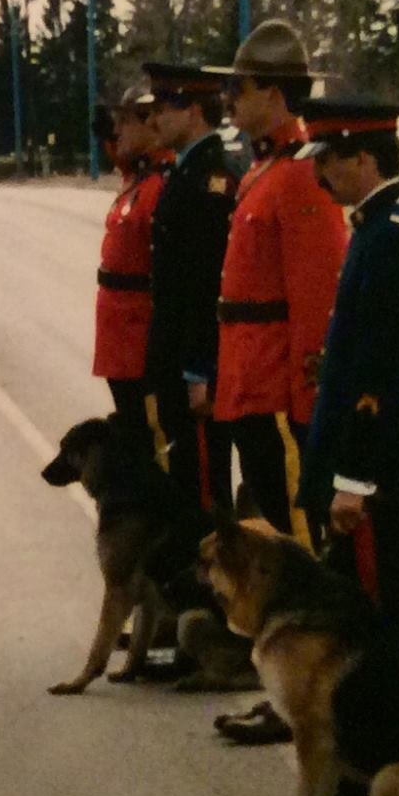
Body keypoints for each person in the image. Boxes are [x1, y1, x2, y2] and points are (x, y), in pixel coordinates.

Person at [200, 21, 349, 745]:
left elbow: (317, 300)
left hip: (279, 387)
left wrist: (309, 407)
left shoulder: (299, 177)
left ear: (276, 92)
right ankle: (284, 693)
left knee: (295, 550)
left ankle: (307, 695)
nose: (229, 98)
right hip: (248, 378)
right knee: (271, 545)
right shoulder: (265, 169)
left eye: (240, 87)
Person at [301, 98, 399, 611]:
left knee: (379, 605)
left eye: (329, 159)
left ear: (365, 159)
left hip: (377, 470)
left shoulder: (388, 238)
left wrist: (354, 479)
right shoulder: (375, 228)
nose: (320, 173)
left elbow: (379, 371)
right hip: (367, 466)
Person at [140, 60, 238, 521]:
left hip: (192, 364)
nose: (155, 119)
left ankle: (209, 584)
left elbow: (205, 282)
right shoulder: (185, 172)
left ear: (195, 111)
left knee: (201, 487)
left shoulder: (212, 178)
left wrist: (199, 369)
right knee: (179, 477)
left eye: (165, 107)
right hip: (174, 356)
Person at [93, 83, 173, 444]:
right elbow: (118, 152)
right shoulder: (137, 179)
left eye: (125, 122)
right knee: (133, 433)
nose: (117, 131)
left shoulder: (162, 185)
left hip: (140, 338)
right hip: (120, 338)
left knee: (153, 437)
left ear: (150, 124)